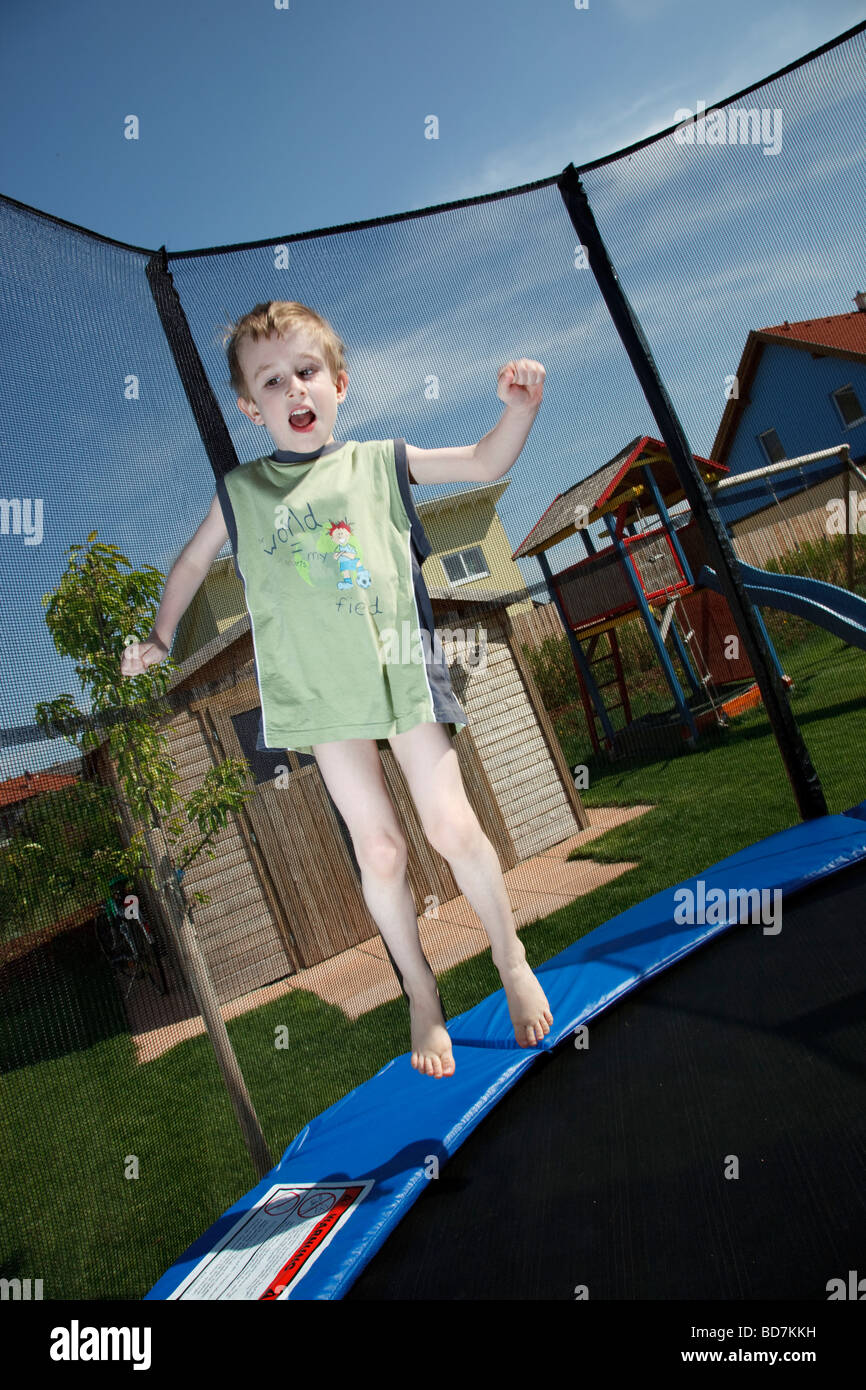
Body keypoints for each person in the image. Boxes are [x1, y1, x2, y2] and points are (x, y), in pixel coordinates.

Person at [120, 300, 553, 1078]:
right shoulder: (243, 494)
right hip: (319, 693)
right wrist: (159, 637)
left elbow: (485, 464)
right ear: (252, 407)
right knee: (381, 852)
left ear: (339, 383)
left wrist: (517, 410)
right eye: (272, 380)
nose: (295, 388)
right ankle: (422, 996)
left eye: (308, 371)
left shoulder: (379, 461)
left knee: (451, 828)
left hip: (397, 664)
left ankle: (511, 956)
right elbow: (188, 566)